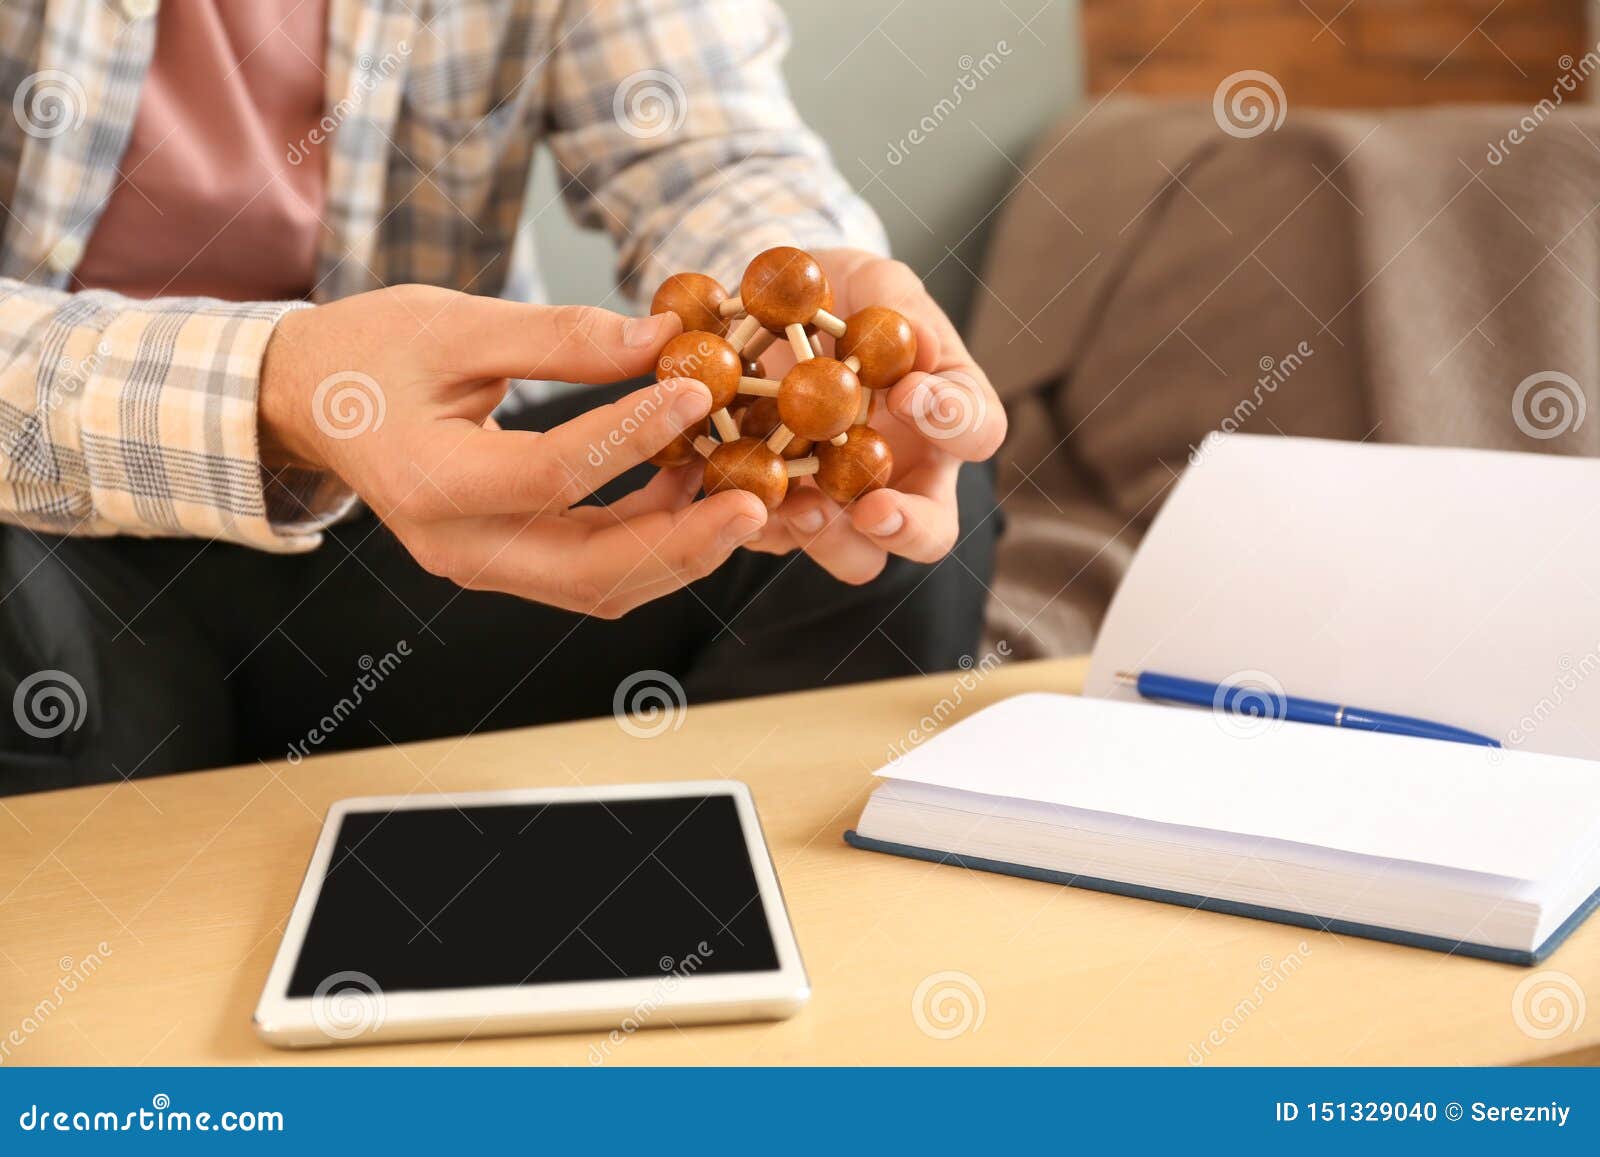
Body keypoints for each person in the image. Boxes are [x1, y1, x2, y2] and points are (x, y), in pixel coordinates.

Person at [0, 0, 1005, 792]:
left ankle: (712, 954)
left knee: (894, 530)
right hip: (49, 543)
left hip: (422, 521)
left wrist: (800, 307)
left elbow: (707, 150)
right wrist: (284, 385)